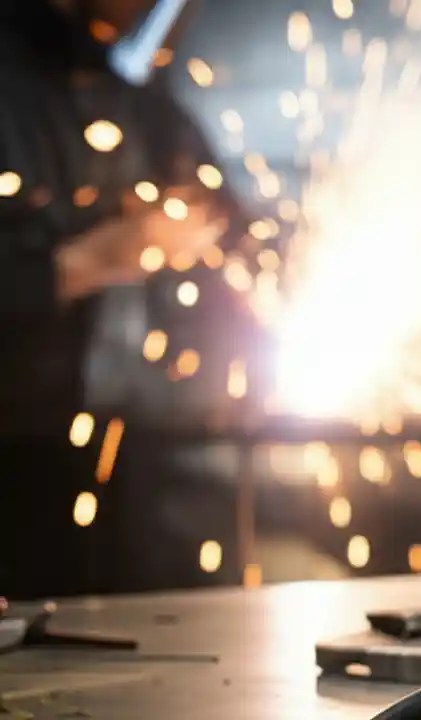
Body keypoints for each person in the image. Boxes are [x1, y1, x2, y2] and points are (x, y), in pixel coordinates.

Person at [0, 0, 231, 597]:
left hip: (134, 463)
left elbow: (224, 209)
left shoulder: (127, 95)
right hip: (20, 470)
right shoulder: (14, 89)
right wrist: (81, 264)